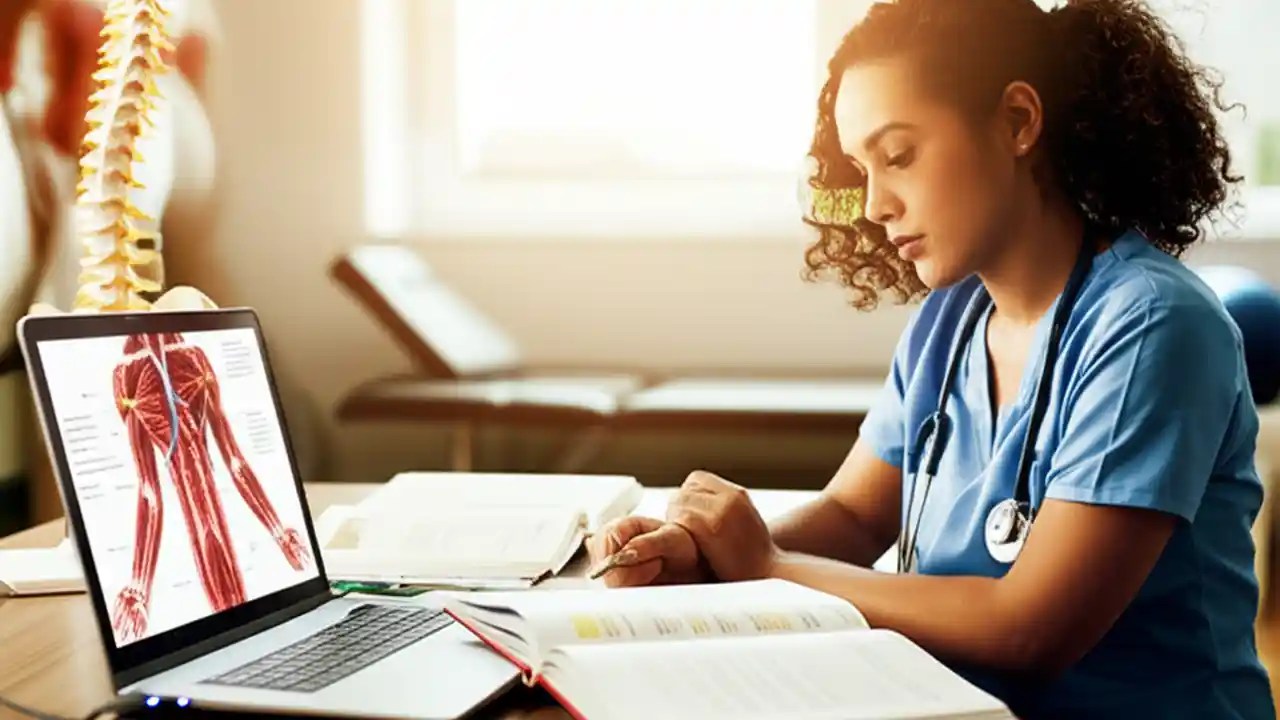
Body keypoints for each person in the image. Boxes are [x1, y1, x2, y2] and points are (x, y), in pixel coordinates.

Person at [586, 0, 1274, 717]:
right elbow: (853, 518)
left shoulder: (1154, 326)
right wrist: (702, 553)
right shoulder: (952, 318)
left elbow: (1030, 627)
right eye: (861, 167)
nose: (875, 203)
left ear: (1016, 122)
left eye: (900, 155)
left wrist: (767, 566)